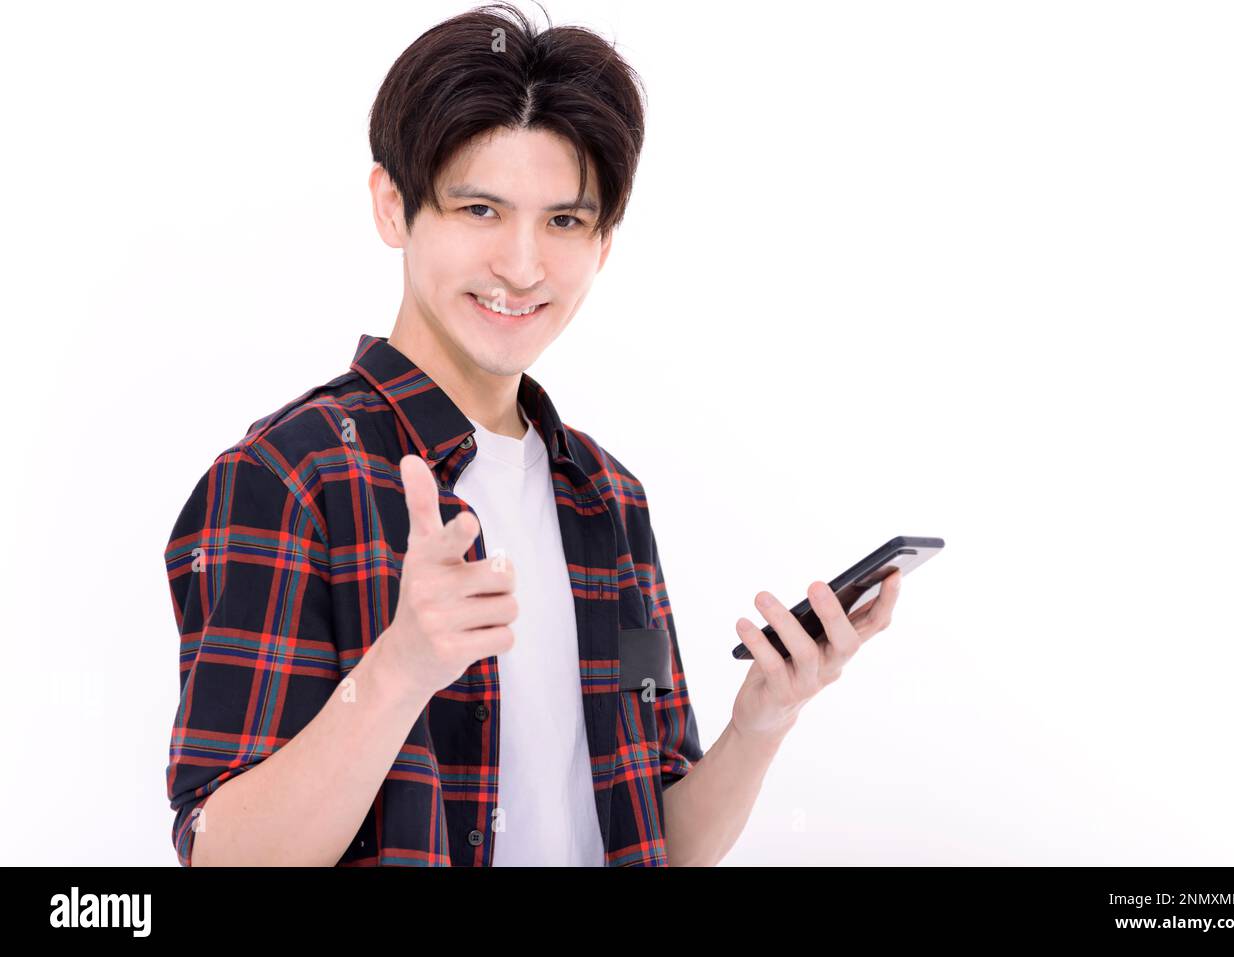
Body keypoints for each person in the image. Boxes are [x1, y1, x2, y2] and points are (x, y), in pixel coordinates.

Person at [163, 1, 901, 868]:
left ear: (604, 243)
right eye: (480, 209)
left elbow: (654, 838)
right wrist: (401, 667)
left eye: (564, 221)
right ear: (393, 206)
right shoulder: (288, 477)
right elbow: (224, 854)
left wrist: (760, 723)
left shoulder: (609, 498)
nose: (522, 266)